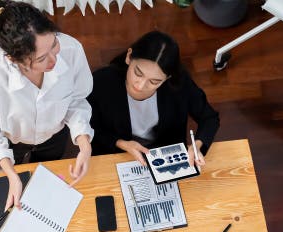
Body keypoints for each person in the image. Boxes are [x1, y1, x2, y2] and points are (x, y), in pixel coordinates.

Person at [0, 0, 94, 210]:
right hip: (9, 145)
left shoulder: (72, 50)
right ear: (13, 59)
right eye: (41, 58)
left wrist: (84, 143)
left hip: (53, 137)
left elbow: (76, 100)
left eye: (54, 44)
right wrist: (11, 174)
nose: (54, 60)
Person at [87, 31, 219, 169]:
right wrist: (121, 143)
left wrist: (197, 145)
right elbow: (88, 127)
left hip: (165, 155)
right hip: (116, 154)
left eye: (154, 82)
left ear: (167, 78)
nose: (141, 85)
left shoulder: (179, 84)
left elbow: (209, 117)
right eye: (138, 73)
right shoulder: (101, 82)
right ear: (129, 56)